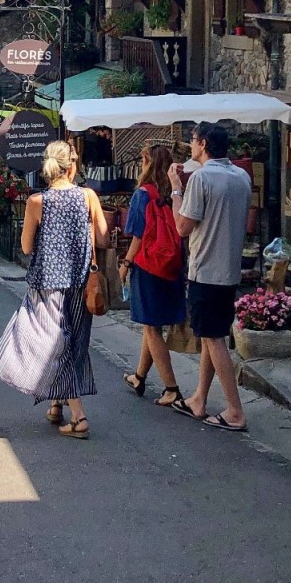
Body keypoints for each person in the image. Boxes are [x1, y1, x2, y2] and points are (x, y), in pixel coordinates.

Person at [0, 142, 108, 439]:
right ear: (72, 167)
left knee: (54, 345)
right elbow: (103, 238)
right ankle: (57, 403)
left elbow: (26, 247)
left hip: (48, 285)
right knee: (73, 344)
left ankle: (78, 418)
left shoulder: (37, 202)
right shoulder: (88, 196)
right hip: (82, 284)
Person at [168, 123, 251, 431]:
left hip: (205, 268)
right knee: (210, 334)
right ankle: (199, 398)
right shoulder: (240, 176)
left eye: (192, 141)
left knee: (214, 339)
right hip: (229, 267)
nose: (191, 147)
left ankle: (235, 410)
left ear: (202, 144)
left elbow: (182, 227)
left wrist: (176, 188)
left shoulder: (202, 178)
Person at [119, 144, 185, 409]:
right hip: (172, 264)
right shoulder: (174, 193)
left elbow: (137, 234)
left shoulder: (142, 194)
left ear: (146, 162)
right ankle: (139, 376)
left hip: (149, 263)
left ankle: (171, 389)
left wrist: (125, 263)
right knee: (153, 323)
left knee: (151, 326)